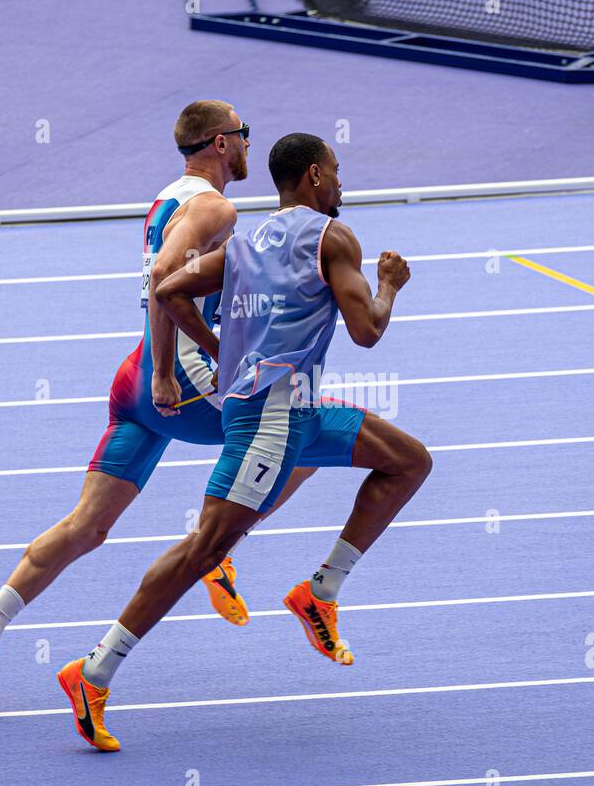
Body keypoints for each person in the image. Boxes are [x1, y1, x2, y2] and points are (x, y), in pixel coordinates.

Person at [57, 132, 433, 751]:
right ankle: (93, 672)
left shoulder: (244, 243)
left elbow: (170, 289)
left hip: (297, 412)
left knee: (408, 462)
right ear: (313, 176)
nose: (342, 183)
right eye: (337, 171)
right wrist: (390, 283)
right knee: (203, 551)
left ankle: (319, 593)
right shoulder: (333, 238)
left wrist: (223, 354)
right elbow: (367, 332)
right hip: (270, 424)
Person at [0, 102, 317, 714]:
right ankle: (215, 548)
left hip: (134, 378)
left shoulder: (169, 196)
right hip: (174, 377)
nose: (252, 144)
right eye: (245, 136)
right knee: (301, 431)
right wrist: (173, 372)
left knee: (87, 526)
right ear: (222, 144)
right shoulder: (215, 206)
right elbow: (163, 283)